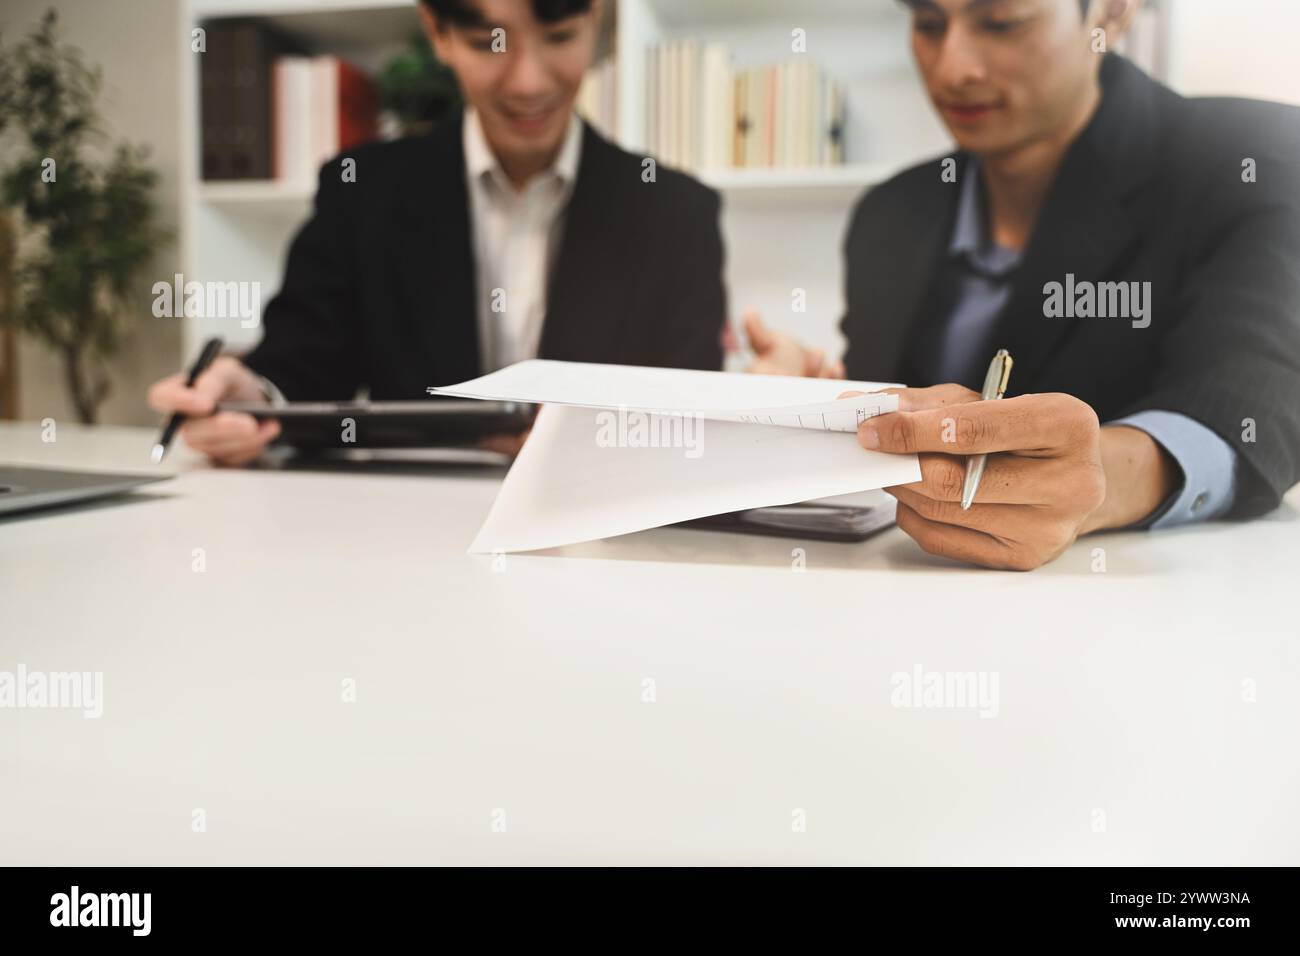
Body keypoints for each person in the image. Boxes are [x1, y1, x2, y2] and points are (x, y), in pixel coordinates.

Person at [747, 0, 1300, 569]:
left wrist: (1102, 480)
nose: (951, 69)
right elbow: (898, 417)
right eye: (929, 25)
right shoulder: (890, 212)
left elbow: (1258, 391)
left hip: (1139, 614)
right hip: (907, 599)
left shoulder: (1252, 156)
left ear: (1110, 14)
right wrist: (811, 408)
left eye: (1001, 22)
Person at [149, 0, 726, 464]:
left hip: (600, 550)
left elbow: (692, 410)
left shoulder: (676, 210)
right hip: (402, 544)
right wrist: (245, 398)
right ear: (438, 31)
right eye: (488, 43)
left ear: (595, 18)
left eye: (559, 37)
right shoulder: (363, 191)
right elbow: (299, 365)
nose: (528, 81)